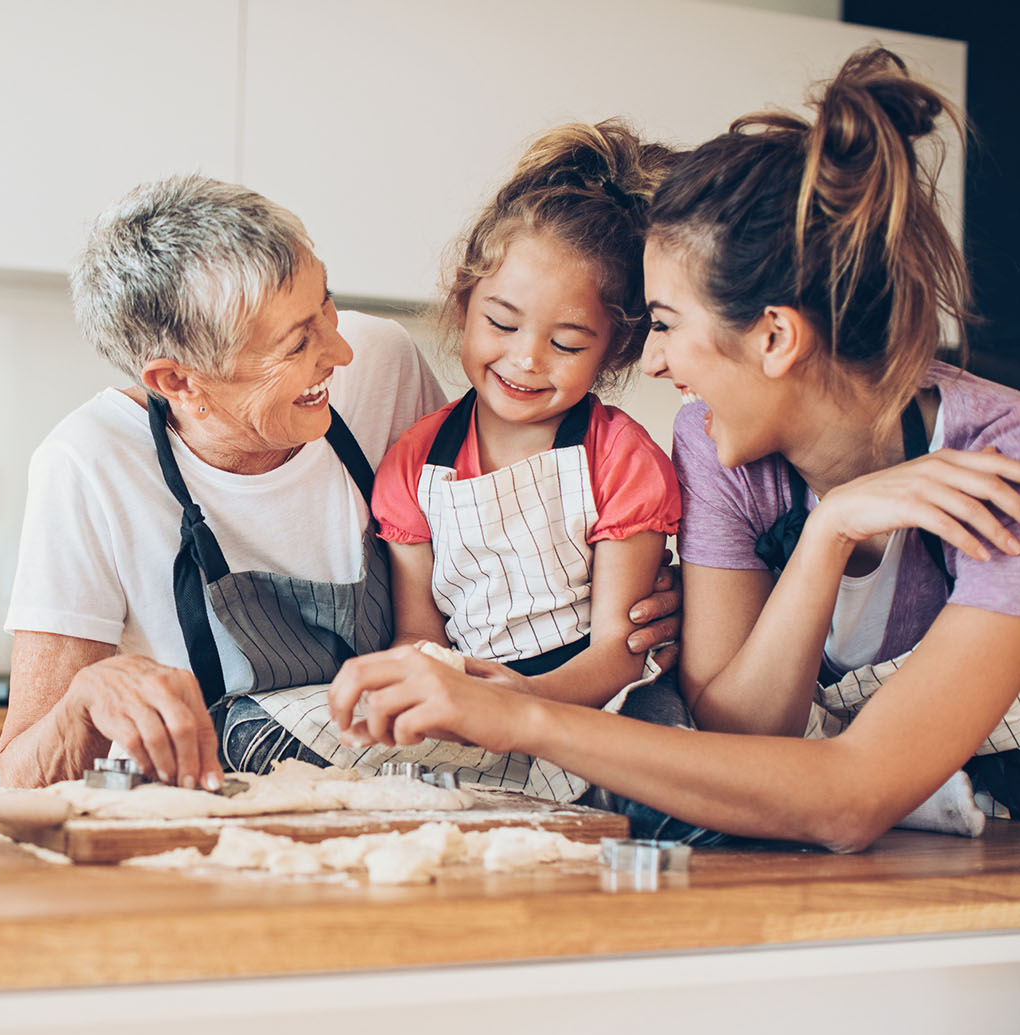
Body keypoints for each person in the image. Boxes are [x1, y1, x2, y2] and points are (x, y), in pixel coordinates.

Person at [328, 48, 1020, 851]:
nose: (650, 362)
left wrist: (521, 714)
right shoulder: (717, 442)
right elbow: (740, 728)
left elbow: (850, 797)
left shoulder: (999, 460)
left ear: (773, 336)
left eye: (663, 323)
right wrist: (828, 536)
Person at [0, 175, 681, 790]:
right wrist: (87, 700)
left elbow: (491, 550)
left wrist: (626, 606)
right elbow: (19, 766)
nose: (340, 349)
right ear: (179, 381)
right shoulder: (86, 466)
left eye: (326, 305)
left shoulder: (380, 365)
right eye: (298, 343)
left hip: (412, 793)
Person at [371, 122, 680, 778]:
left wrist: (527, 701)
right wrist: (433, 695)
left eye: (567, 343)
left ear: (615, 349)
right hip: (467, 697)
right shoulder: (413, 463)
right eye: (502, 323)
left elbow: (620, 652)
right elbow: (416, 635)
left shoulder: (622, 461)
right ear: (464, 299)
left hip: (596, 703)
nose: (526, 359)